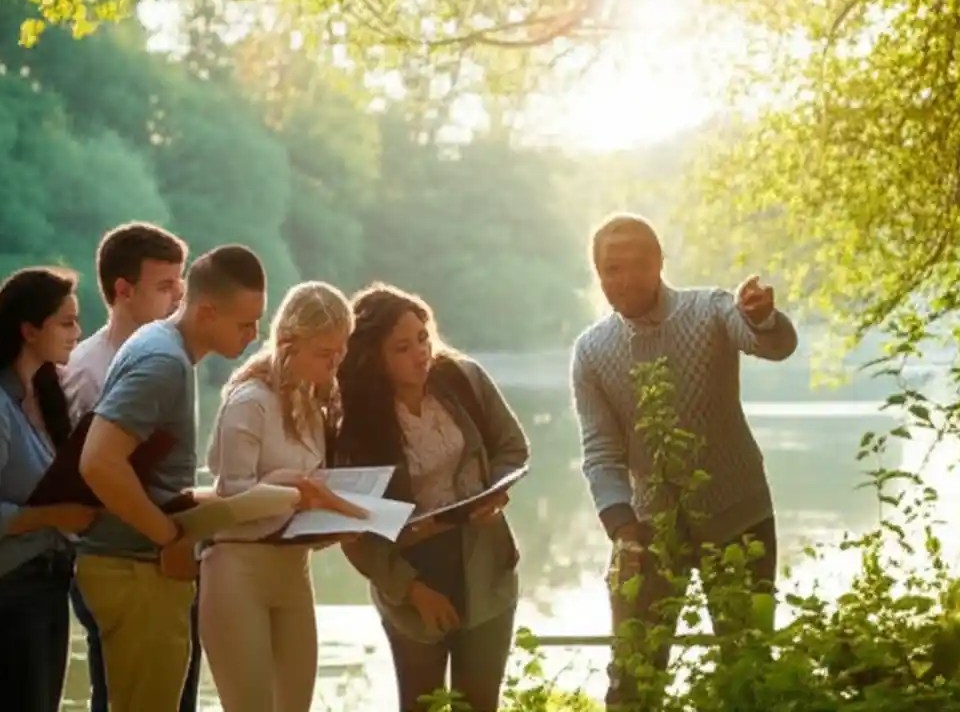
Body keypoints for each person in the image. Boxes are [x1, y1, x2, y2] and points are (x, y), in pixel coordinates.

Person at [569, 213, 798, 710]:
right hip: (648, 528)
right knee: (632, 679)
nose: (622, 279)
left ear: (659, 265)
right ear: (598, 273)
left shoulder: (710, 309)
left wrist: (760, 316)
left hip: (739, 514)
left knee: (750, 669)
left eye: (635, 266)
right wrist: (623, 528)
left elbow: (772, 344)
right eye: (611, 269)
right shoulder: (590, 351)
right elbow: (602, 453)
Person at [75, 244, 266, 712]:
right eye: (245, 323)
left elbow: (147, 474)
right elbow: (98, 462)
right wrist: (170, 538)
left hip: (140, 564)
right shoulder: (164, 362)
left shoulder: (164, 345)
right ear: (205, 312)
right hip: (136, 568)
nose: (255, 334)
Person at [335, 283, 529, 712]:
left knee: (479, 704)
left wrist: (493, 492)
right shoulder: (354, 421)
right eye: (402, 347)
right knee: (420, 704)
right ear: (374, 358)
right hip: (411, 572)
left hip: (485, 564)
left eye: (423, 337)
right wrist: (412, 590)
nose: (421, 352)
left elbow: (512, 448)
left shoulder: (463, 379)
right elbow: (352, 528)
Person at [199, 281, 367, 712]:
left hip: (294, 571)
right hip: (239, 569)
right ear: (289, 345)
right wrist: (291, 486)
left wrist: (335, 518)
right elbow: (231, 495)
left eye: (341, 351)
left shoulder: (311, 405)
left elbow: (307, 493)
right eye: (324, 353)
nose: (336, 363)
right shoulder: (249, 401)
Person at [0, 267, 97, 712]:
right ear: (29, 330)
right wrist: (53, 516)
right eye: (66, 323)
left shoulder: (43, 397)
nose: (77, 333)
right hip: (0, 593)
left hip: (44, 586)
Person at [59, 221, 198, 712]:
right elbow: (71, 475)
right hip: (112, 558)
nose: (177, 301)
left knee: (178, 694)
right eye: (164, 288)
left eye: (180, 288)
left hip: (168, 555)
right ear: (123, 290)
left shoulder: (172, 356)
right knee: (117, 696)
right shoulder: (83, 369)